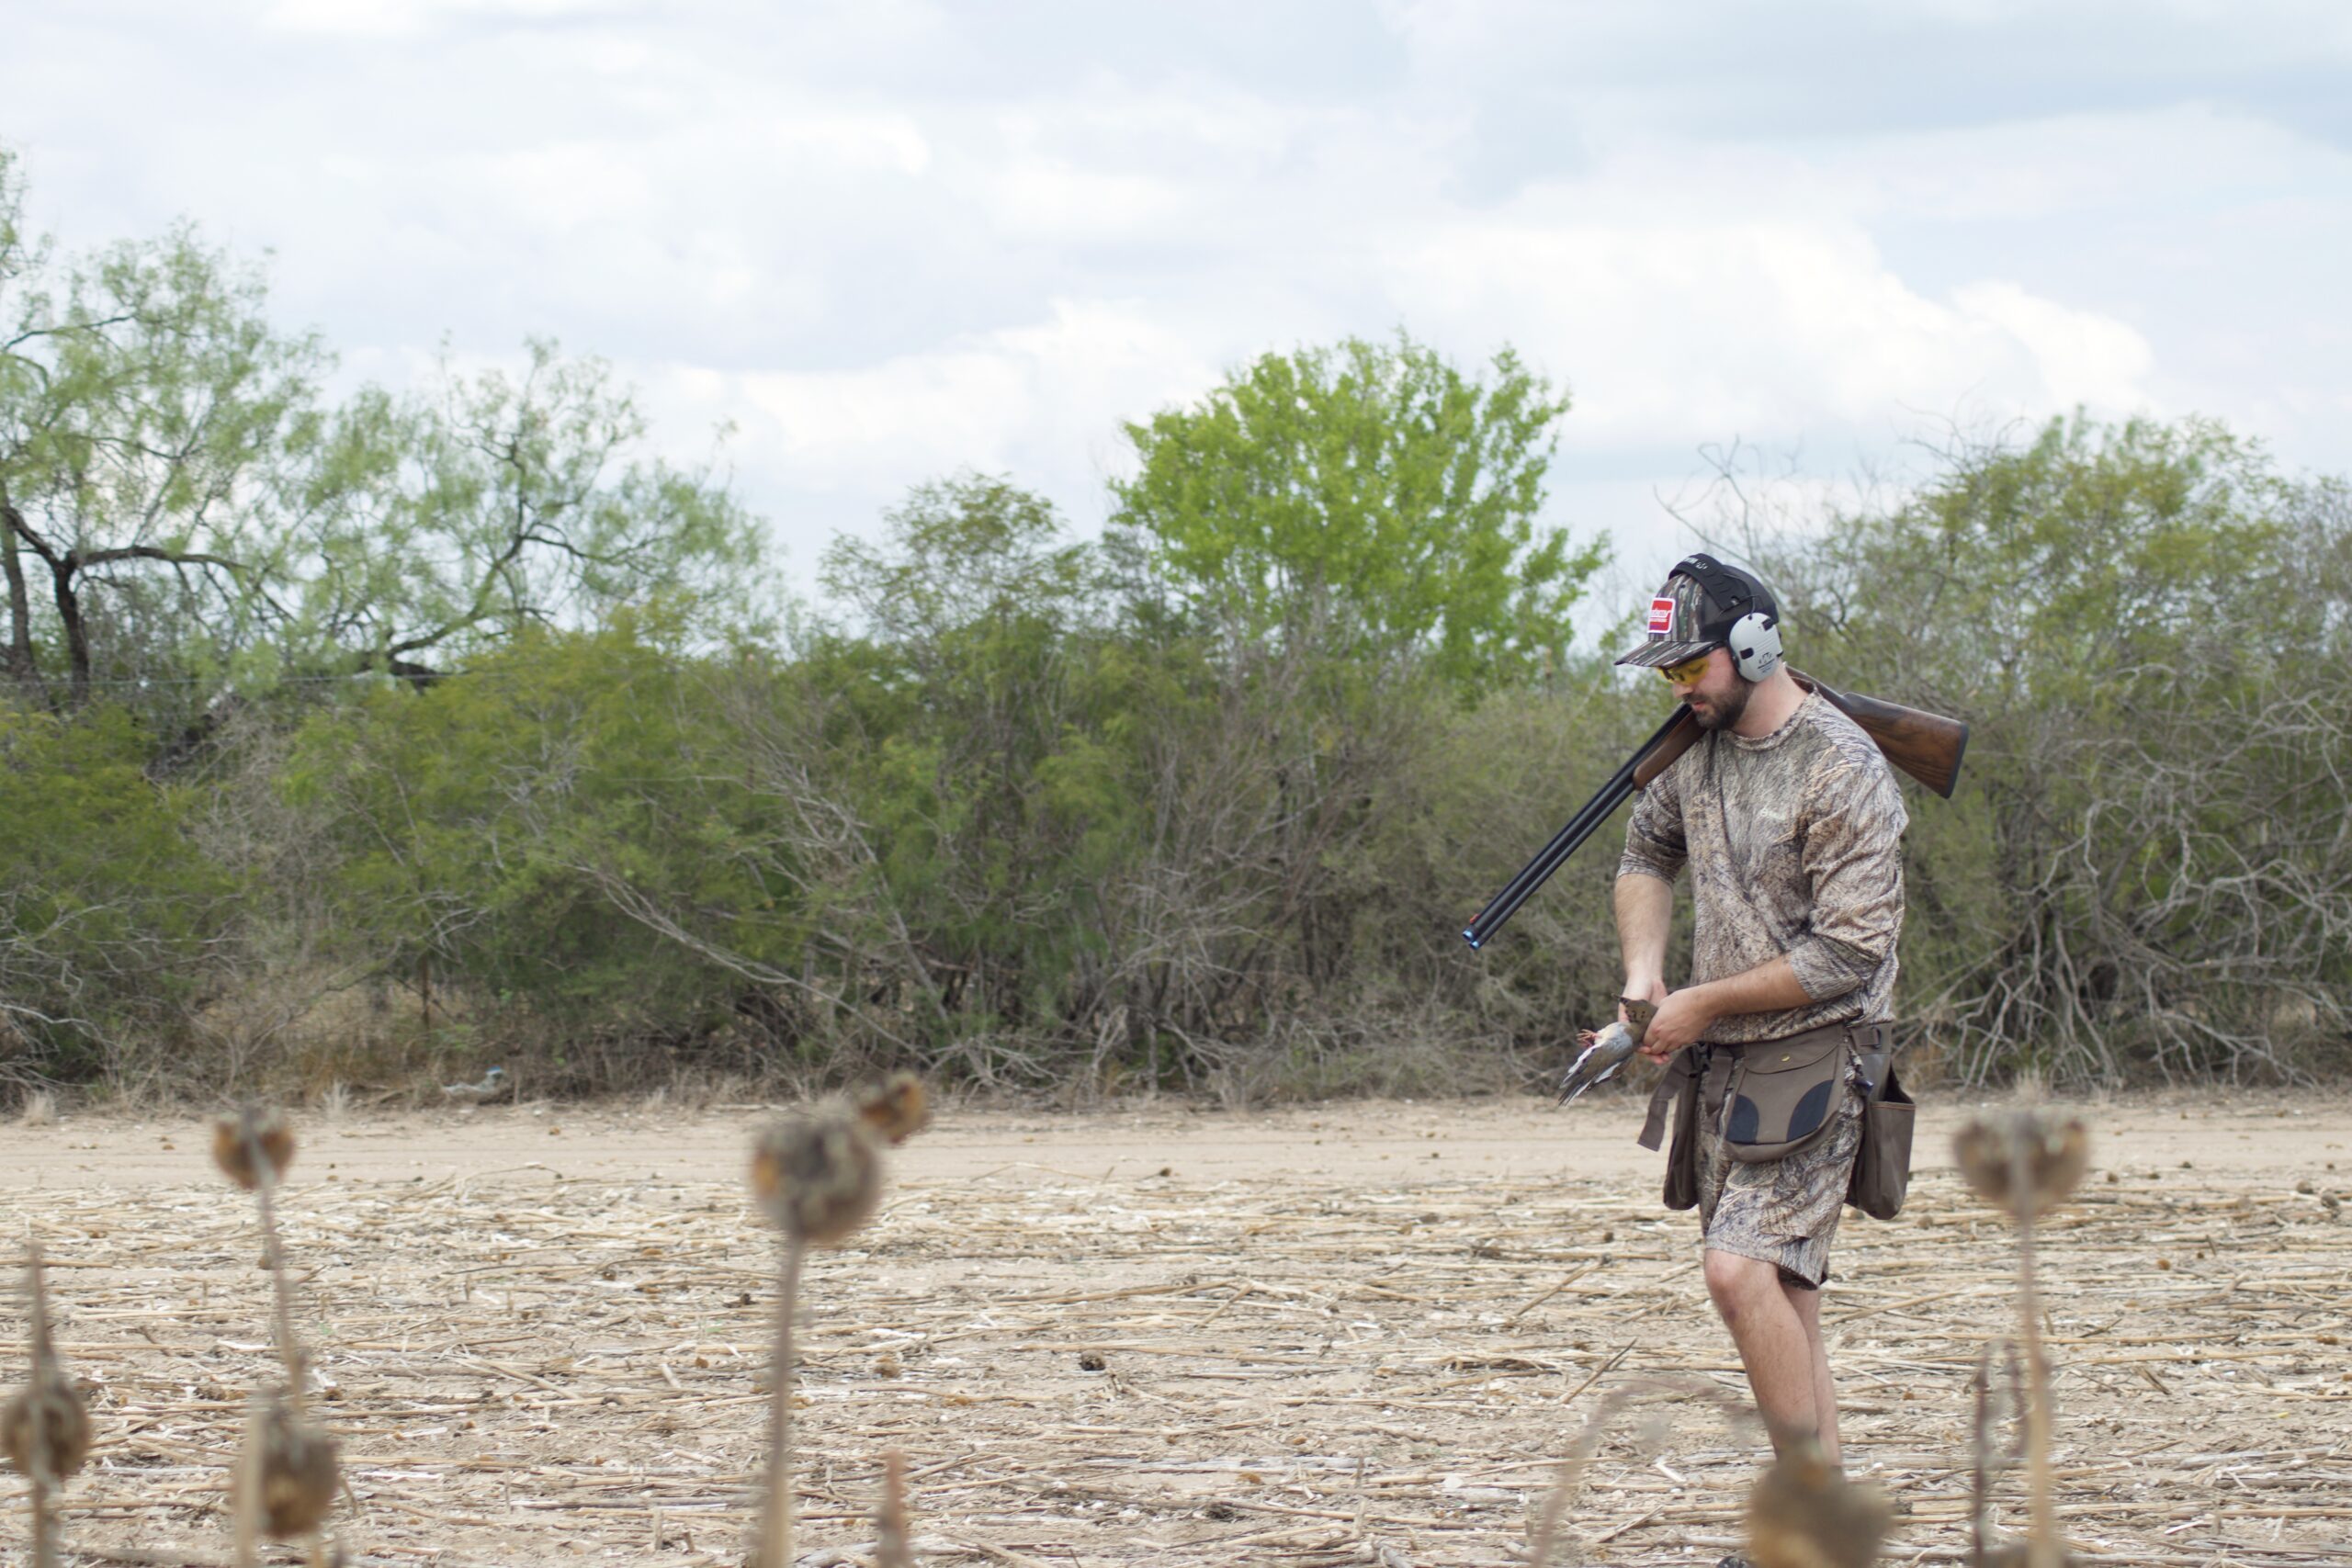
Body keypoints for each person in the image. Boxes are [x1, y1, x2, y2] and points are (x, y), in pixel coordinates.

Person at [1608, 555, 1906, 1547]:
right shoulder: (1694, 749)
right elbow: (1645, 852)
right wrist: (1647, 976)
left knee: (1738, 1274)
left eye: (1688, 666)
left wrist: (1698, 1003)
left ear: (1753, 643)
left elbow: (1846, 952)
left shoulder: (1842, 764)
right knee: (1781, 1294)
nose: (1679, 688)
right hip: (1727, 1066)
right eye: (1664, 674)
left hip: (1821, 1058)